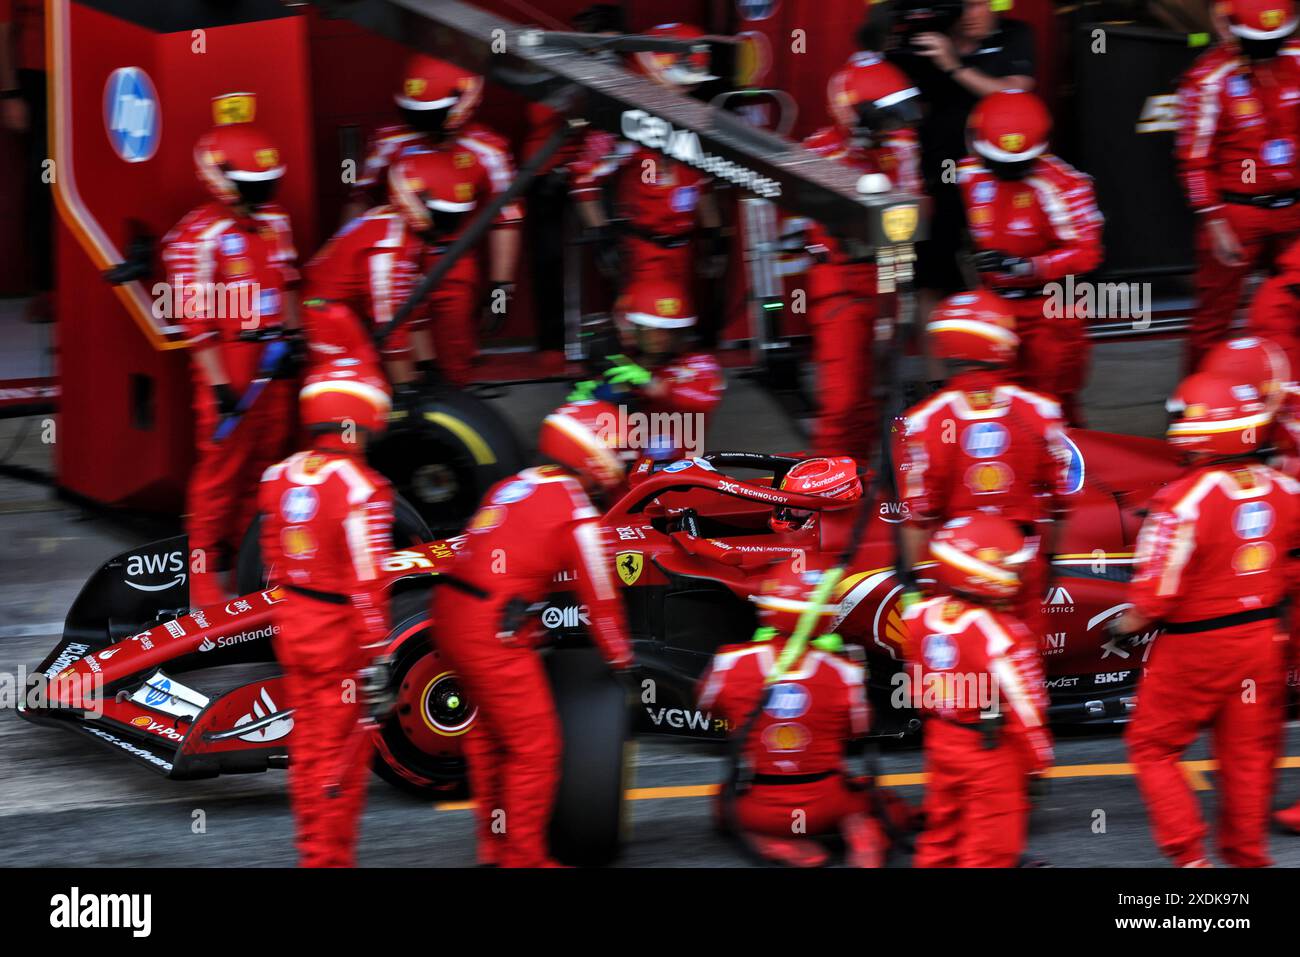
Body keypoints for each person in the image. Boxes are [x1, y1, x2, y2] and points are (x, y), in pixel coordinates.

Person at [431, 402, 634, 867]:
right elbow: (601, 599)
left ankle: (494, 844)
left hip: (451, 614)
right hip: (490, 629)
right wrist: (623, 660)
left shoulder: (513, 485)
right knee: (535, 747)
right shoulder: (576, 512)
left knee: (489, 737)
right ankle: (522, 857)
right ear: (593, 455)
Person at [1115, 371, 1300, 867]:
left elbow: (1154, 598)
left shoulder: (1181, 500)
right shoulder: (1285, 487)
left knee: (1151, 745)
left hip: (1194, 650)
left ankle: (1191, 860)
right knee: (1246, 760)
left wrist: (1121, 626)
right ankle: (1248, 861)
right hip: (1262, 643)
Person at [162, 93, 300, 608]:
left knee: (269, 464)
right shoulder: (195, 237)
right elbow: (194, 325)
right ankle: (202, 575)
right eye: (252, 184)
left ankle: (254, 562)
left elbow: (288, 284)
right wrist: (220, 386)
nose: (263, 192)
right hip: (230, 365)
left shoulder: (276, 221)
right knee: (220, 475)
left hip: (274, 364)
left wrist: (294, 338)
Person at [258, 360, 395, 867]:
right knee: (342, 759)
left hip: (292, 627)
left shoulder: (278, 476)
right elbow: (367, 582)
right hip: (338, 639)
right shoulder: (362, 488)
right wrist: (378, 655)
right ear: (355, 423)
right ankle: (328, 860)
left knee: (310, 752)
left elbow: (272, 558)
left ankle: (312, 851)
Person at [892, 289, 1073, 649]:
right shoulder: (1042, 410)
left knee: (963, 671)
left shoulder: (921, 422)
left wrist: (911, 578)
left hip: (956, 568)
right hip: (1021, 564)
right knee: (1021, 669)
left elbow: (916, 515)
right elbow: (1062, 502)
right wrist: (1051, 559)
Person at [696, 557, 889, 868]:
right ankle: (860, 829)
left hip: (762, 807)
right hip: (829, 805)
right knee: (876, 799)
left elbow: (708, 707)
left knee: (723, 803)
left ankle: (773, 841)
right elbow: (858, 729)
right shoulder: (845, 672)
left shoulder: (729, 663)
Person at [345, 53, 522, 381]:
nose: (421, 123)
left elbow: (506, 219)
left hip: (452, 268)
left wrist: (500, 288)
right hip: (393, 265)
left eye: (431, 114)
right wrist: (351, 264)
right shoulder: (388, 141)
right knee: (395, 362)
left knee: (453, 363)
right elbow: (359, 199)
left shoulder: (489, 150)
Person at [903, 513, 1053, 867]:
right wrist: (1038, 764)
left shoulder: (919, 616)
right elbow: (1026, 707)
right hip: (988, 751)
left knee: (941, 835)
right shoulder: (1002, 633)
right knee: (991, 849)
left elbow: (916, 682)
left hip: (941, 741)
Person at [800, 52, 922, 460]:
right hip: (840, 282)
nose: (896, 125)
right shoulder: (819, 152)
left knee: (880, 394)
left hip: (888, 271)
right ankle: (821, 494)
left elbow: (911, 205)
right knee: (843, 401)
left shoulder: (900, 142)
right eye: (885, 116)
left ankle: (865, 484)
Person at [958, 89, 1103, 424]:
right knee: (993, 404)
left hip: (1051, 308)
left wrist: (1027, 265)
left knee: (1052, 406)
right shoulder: (966, 175)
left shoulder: (1068, 185)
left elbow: (1087, 254)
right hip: (994, 308)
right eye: (998, 164)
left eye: (1017, 165)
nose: (1007, 172)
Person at [889, 0, 1036, 326]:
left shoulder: (1014, 33)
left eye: (978, 4)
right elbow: (892, 106)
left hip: (1001, 179)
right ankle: (936, 379)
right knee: (931, 281)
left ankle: (1002, 368)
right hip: (938, 177)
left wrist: (953, 65)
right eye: (962, 6)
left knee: (1001, 275)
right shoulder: (923, 40)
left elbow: (1015, 93)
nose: (971, 15)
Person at [1177, 0, 1300, 371]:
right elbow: (1194, 159)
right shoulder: (1208, 78)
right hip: (1236, 214)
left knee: (1292, 309)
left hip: (1294, 211)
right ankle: (1196, 404)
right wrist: (1213, 220)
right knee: (1215, 317)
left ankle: (1287, 401)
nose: (1268, 50)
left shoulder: (1296, 59)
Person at [304, 147, 486, 391]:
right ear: (418, 201)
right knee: (360, 398)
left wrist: (428, 369)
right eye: (444, 215)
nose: (450, 225)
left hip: (350, 315)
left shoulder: (402, 228)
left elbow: (412, 306)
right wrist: (407, 390)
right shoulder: (389, 245)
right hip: (324, 317)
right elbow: (390, 326)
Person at [570, 22, 725, 294]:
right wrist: (601, 236)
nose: (688, 89)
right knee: (651, 332)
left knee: (681, 330)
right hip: (638, 252)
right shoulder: (624, 122)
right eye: (682, 79)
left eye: (692, 81)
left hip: (685, 253)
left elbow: (704, 182)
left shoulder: (698, 122)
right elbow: (584, 178)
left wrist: (715, 236)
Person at [567, 277, 725, 460]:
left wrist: (650, 383)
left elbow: (705, 399)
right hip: (620, 471)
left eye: (671, 330)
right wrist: (584, 404)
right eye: (653, 329)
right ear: (635, 328)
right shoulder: (619, 366)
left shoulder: (700, 363)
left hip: (679, 473)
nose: (663, 337)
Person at [0, 0, 50, 320]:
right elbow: (4, 31)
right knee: (45, 177)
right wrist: (9, 94)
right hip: (36, 80)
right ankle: (47, 288)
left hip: (84, 68)